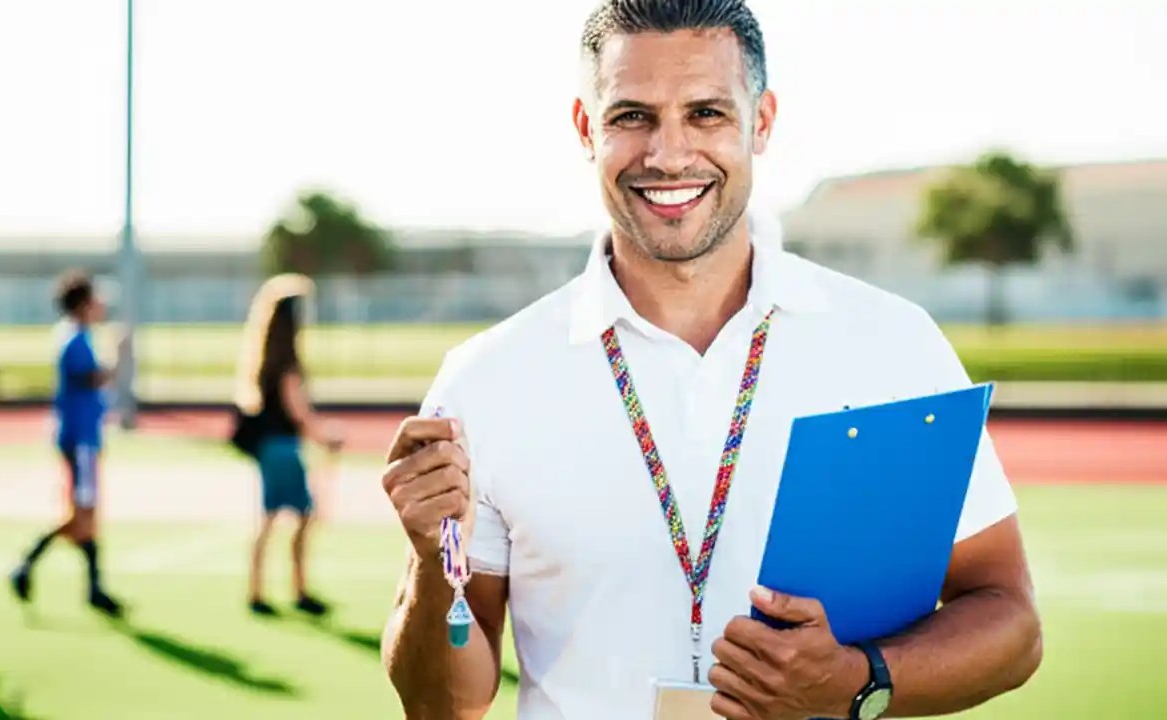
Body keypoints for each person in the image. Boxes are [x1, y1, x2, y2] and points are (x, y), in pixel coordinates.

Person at [379, 2, 1043, 719]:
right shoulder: (486, 381)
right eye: (632, 115)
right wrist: (427, 563)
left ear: (761, 122)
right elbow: (441, 706)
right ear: (585, 127)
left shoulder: (892, 345)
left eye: (705, 113)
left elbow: (1010, 621)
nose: (668, 155)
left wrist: (859, 678)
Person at [10, 272, 124, 618]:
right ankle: (29, 563)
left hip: (83, 436)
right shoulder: (75, 339)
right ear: (84, 302)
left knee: (86, 513)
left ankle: (93, 586)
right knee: (82, 513)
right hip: (80, 439)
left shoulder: (79, 336)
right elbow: (91, 379)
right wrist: (117, 359)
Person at [232, 274, 344, 617]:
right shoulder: (287, 365)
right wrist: (326, 436)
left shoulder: (264, 359)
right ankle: (298, 587)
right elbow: (299, 412)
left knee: (270, 518)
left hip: (270, 447)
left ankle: (258, 589)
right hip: (283, 448)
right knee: (301, 516)